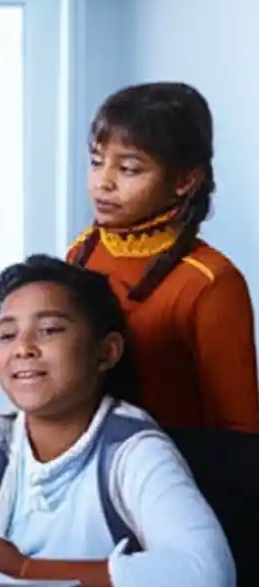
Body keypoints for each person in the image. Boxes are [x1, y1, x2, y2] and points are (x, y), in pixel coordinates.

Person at [0, 255, 235, 587]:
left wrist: (25, 570)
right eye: (7, 334)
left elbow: (207, 577)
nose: (23, 348)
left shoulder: (131, 448)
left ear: (106, 352)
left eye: (49, 330)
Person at [69, 82, 258, 433]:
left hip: (176, 473)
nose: (103, 182)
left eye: (128, 169)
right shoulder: (83, 250)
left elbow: (239, 431)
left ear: (186, 180)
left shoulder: (211, 281)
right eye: (97, 162)